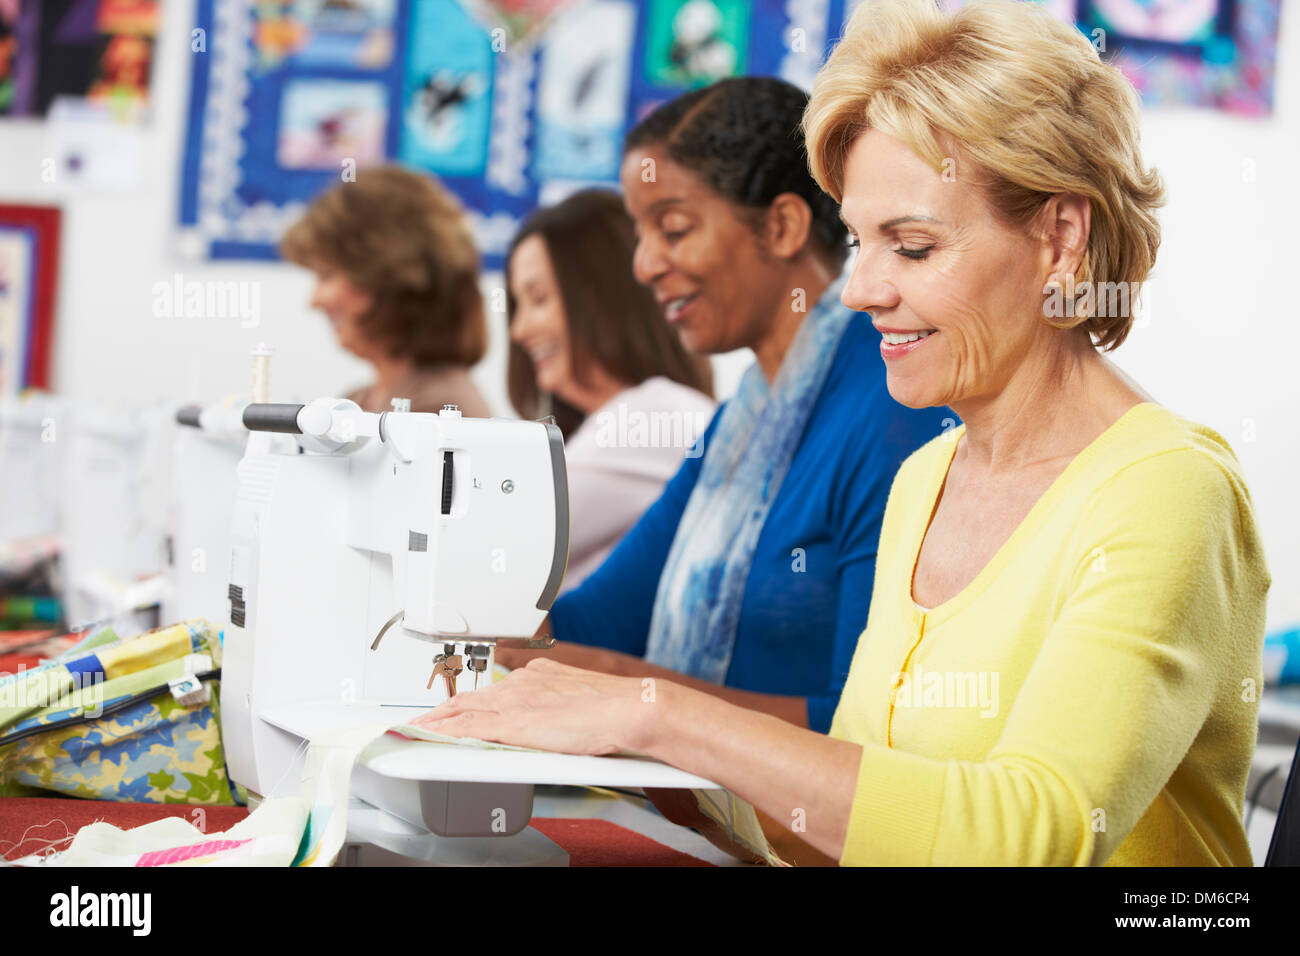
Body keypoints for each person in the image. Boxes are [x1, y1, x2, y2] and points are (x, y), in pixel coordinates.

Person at [416, 0, 1271, 866]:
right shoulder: (928, 475)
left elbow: (1032, 835)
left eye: (911, 246)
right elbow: (853, 816)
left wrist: (652, 713)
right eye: (860, 241)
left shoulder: (1167, 489)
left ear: (1060, 237)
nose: (859, 289)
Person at [496, 77, 953, 735]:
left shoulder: (894, 410)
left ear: (783, 226)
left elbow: (863, 727)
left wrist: (641, 698)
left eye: (674, 229)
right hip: (709, 821)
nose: (645, 265)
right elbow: (593, 626)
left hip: (791, 834)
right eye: (640, 235)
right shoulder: (743, 424)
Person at [506, 190, 715, 591]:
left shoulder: (655, 415)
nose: (519, 330)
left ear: (601, 297)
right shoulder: (639, 415)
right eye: (517, 304)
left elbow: (495, 532)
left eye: (539, 299)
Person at [281, 164, 492, 417]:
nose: (313, 301)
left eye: (327, 275)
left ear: (386, 278)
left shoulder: (439, 411)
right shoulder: (357, 401)